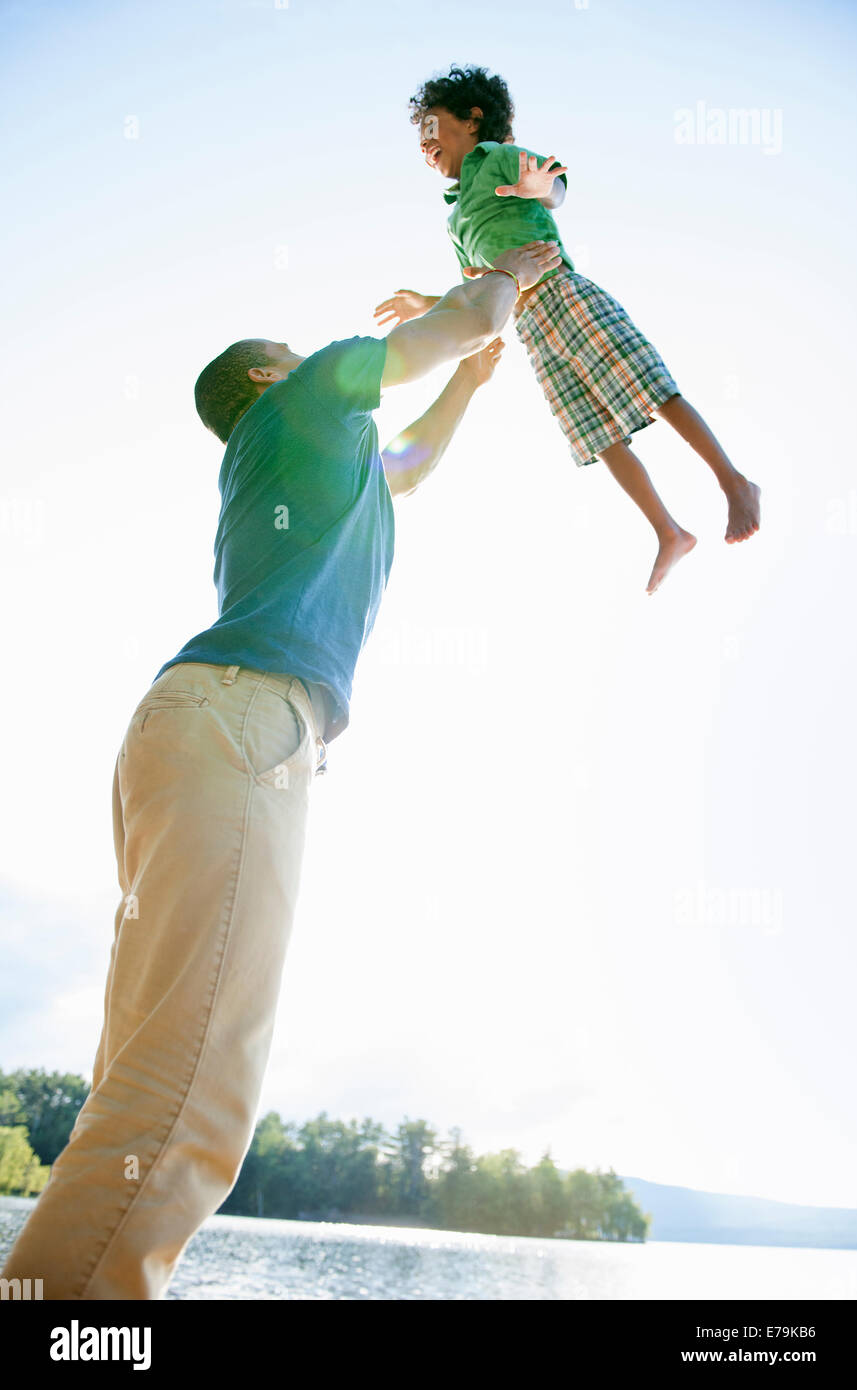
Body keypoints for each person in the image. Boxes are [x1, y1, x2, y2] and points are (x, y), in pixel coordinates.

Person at [0, 237, 562, 1300]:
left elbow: (405, 466)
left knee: (149, 1078)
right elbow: (464, 321)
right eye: (299, 351)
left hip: (204, 726)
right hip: (240, 728)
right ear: (272, 371)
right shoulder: (309, 389)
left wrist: (471, 384)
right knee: (191, 1092)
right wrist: (503, 273)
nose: (318, 356)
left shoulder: (305, 449)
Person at [375, 65, 762, 594]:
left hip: (562, 293)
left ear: (472, 120)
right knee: (595, 434)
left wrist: (544, 188)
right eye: (419, 140)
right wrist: (425, 302)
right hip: (531, 327)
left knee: (646, 387)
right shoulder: (455, 217)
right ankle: (669, 530)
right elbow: (476, 290)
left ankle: (732, 480)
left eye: (431, 128)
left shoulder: (498, 159)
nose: (424, 145)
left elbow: (555, 187)